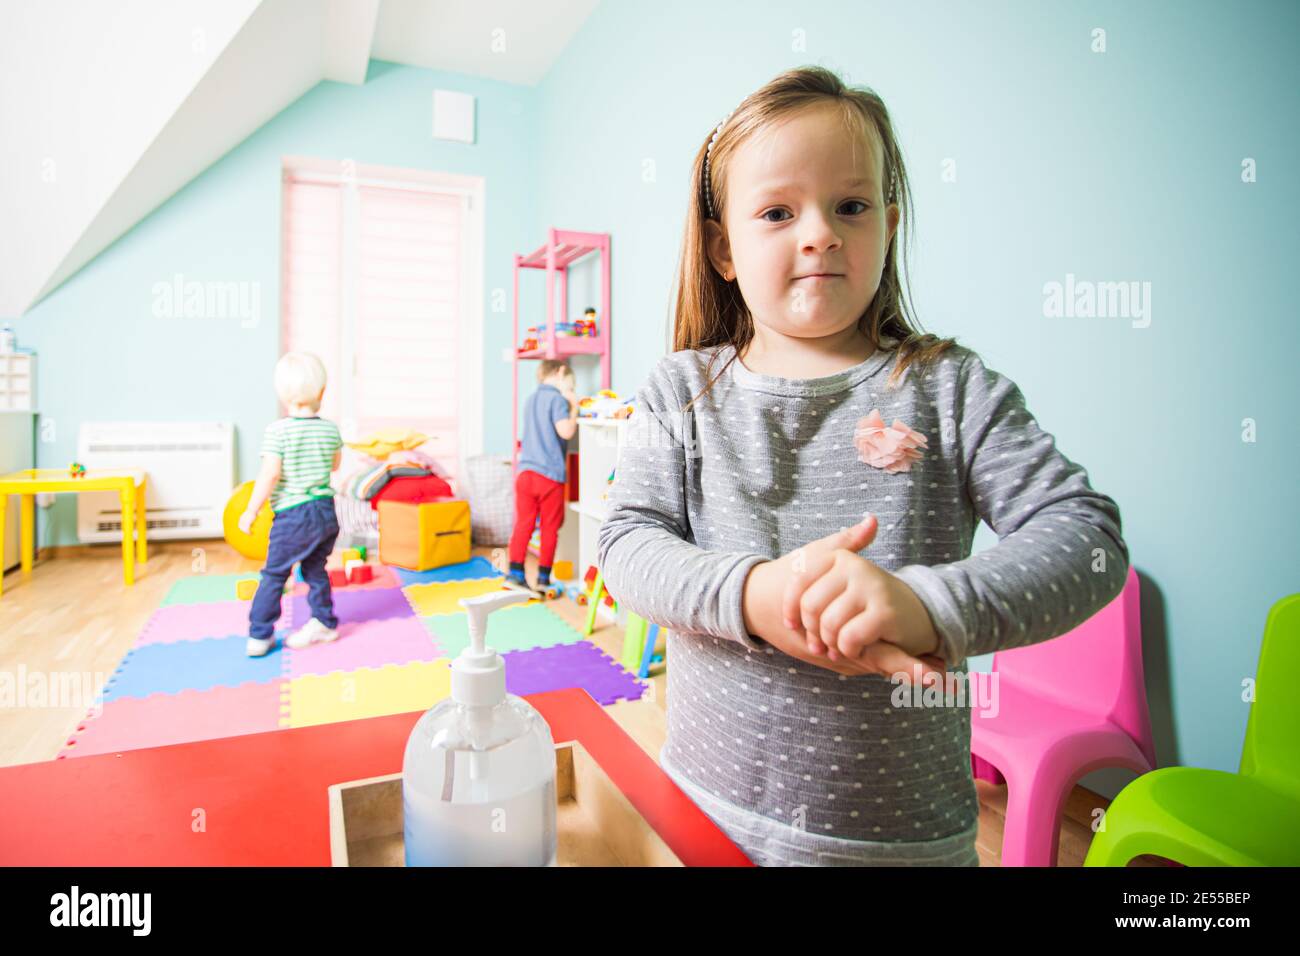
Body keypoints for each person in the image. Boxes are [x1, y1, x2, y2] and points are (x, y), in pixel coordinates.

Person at [597, 66, 1129, 866]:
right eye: (777, 211)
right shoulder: (679, 389)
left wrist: (924, 605)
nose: (819, 233)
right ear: (724, 249)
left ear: (887, 222)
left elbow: (1088, 538)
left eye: (850, 207)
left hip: (900, 840)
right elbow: (625, 544)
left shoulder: (952, 387)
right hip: (702, 810)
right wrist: (751, 594)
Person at [240, 352, 343, 656]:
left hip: (293, 516)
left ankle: (260, 634)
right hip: (325, 511)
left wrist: (251, 509)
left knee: (275, 574)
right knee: (315, 569)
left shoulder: (277, 431)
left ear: (282, 395)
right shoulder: (330, 429)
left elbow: (270, 473)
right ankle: (324, 621)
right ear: (322, 393)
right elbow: (335, 466)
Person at [507, 360, 577, 592]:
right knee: (549, 527)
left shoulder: (531, 399)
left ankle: (515, 574)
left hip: (525, 473)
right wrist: (573, 406)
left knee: (524, 524)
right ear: (560, 372)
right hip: (548, 475)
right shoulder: (557, 399)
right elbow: (566, 431)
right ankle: (544, 580)